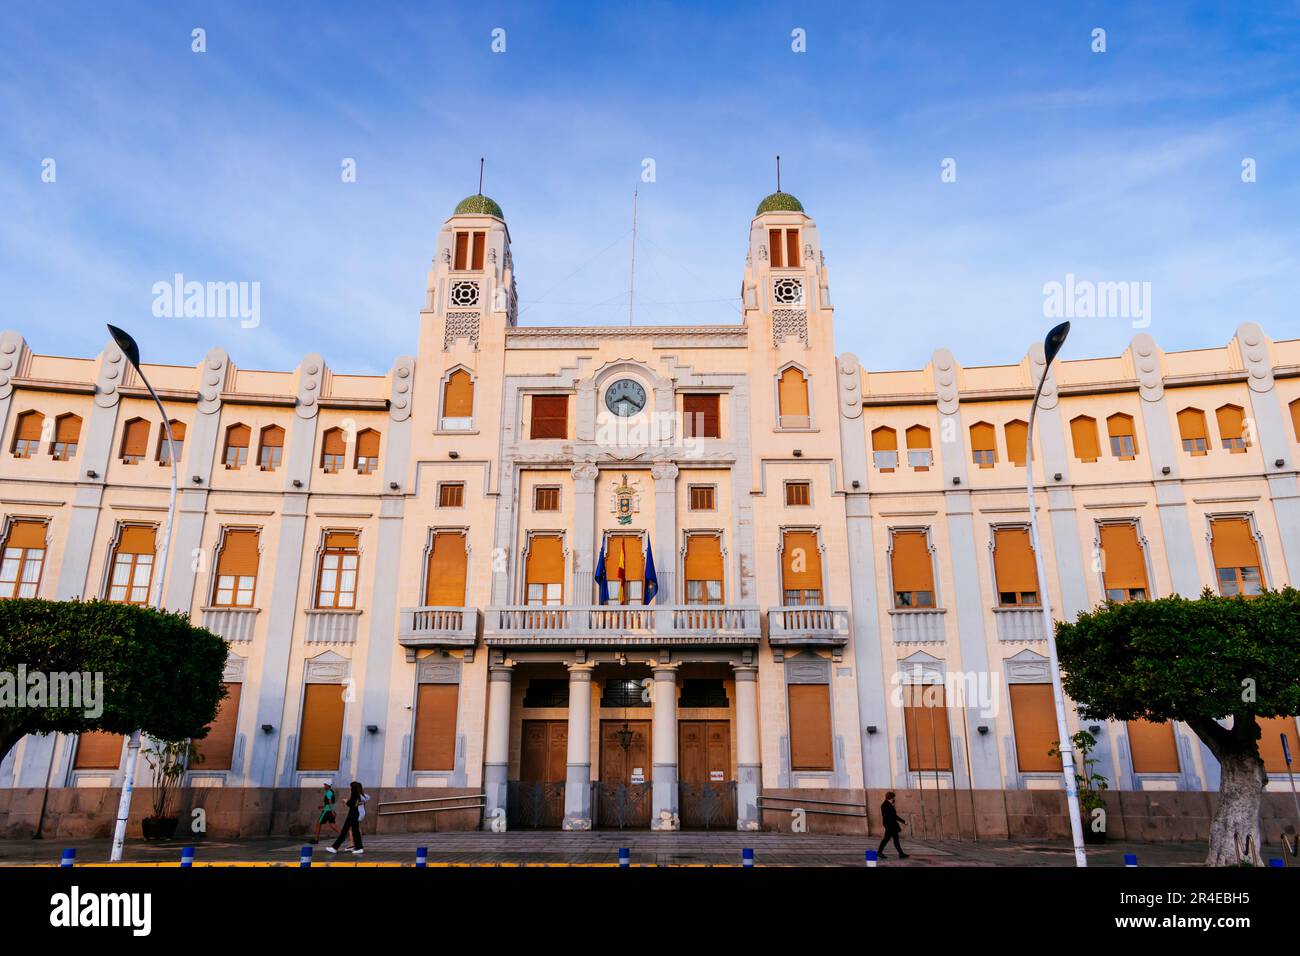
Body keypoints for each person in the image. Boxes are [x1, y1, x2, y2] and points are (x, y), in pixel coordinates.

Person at [326, 781, 369, 855]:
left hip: (353, 815)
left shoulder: (354, 794)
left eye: (351, 787)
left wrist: (346, 801)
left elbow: (351, 804)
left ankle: (335, 848)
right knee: (354, 831)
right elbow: (363, 800)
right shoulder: (360, 794)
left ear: (353, 787)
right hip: (355, 814)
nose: (350, 788)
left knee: (346, 831)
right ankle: (358, 848)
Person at [877, 791, 909, 860]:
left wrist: (892, 806)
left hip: (890, 825)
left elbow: (893, 816)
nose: (894, 799)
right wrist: (904, 821)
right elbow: (894, 816)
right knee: (887, 839)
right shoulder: (887, 805)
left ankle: (901, 853)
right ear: (891, 798)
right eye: (893, 798)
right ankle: (879, 852)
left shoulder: (886, 804)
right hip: (890, 825)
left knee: (895, 839)